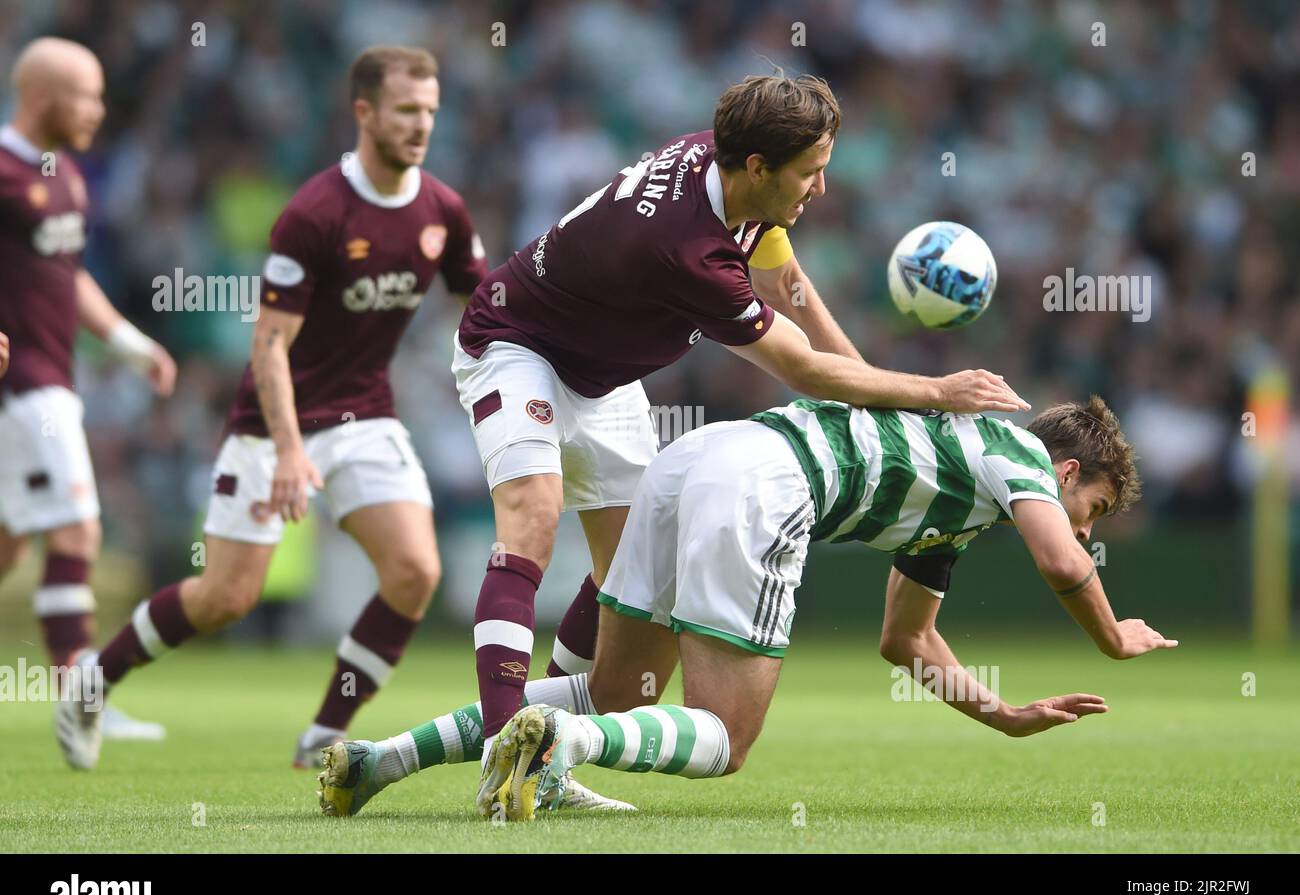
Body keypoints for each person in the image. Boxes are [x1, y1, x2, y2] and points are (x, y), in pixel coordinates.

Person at [445, 72, 1029, 817]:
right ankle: (503, 756)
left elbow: (793, 292)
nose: (822, 186)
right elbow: (802, 370)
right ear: (759, 167)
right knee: (533, 511)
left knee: (628, 575)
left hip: (602, 373)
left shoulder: (726, 169)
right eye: (811, 171)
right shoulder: (688, 249)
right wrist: (938, 392)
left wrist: (875, 388)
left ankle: (538, 752)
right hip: (517, 343)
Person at [318, 395, 1169, 821]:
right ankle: (562, 748)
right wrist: (1110, 636)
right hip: (763, 484)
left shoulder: (948, 502)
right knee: (726, 741)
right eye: (1090, 510)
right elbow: (1061, 559)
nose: (1081, 529)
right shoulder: (1015, 447)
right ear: (1066, 476)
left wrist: (1007, 716)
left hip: (697, 458)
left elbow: (905, 641)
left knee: (619, 698)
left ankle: (381, 761)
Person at [54, 46, 484, 770]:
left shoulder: (442, 210)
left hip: (367, 417)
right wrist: (290, 449)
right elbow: (269, 345)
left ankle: (323, 734)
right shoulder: (315, 213)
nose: (421, 126)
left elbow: (480, 301)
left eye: (430, 112)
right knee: (225, 597)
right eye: (407, 111)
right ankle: (94, 681)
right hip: (269, 428)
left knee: (415, 571)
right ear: (365, 112)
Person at [0, 37, 176, 742]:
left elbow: (66, 275)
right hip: (24, 388)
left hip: (52, 379)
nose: (100, 110)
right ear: (43, 96)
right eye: (88, 95)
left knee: (9, 547)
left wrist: (130, 342)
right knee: (77, 528)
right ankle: (81, 700)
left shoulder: (64, 175)